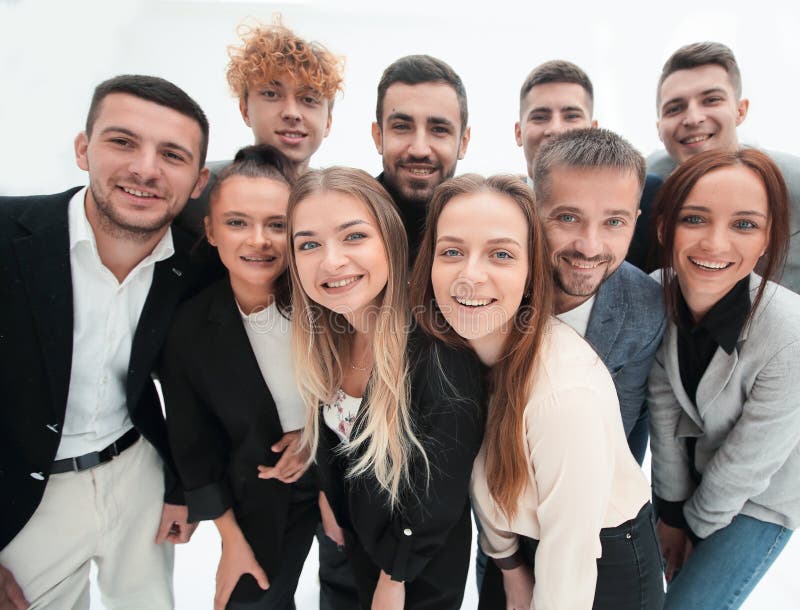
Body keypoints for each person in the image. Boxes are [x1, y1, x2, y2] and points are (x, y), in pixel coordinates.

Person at [0, 74, 212, 609]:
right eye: (122, 141)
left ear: (198, 180)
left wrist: (181, 486)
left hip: (135, 471)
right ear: (82, 148)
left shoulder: (198, 265)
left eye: (172, 154)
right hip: (21, 493)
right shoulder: (7, 234)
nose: (145, 168)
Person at [410, 173, 664, 610]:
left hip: (599, 562)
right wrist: (509, 567)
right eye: (452, 251)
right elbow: (485, 473)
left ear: (532, 272)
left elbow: (571, 558)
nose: (470, 276)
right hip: (518, 542)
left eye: (501, 254)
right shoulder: (456, 350)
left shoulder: (564, 394)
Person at [287, 167, 486, 609]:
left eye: (353, 237)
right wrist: (329, 496)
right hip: (359, 544)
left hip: (417, 569)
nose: (331, 260)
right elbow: (337, 439)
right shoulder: (331, 338)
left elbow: (438, 494)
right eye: (309, 244)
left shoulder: (437, 352)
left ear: (390, 240)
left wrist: (394, 577)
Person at [159, 145, 319, 610]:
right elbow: (194, 444)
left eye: (277, 224)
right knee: (249, 600)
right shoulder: (189, 328)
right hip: (260, 485)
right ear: (209, 230)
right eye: (237, 223)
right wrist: (231, 538)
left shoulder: (328, 304)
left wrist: (313, 438)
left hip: (345, 473)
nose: (259, 240)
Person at [648, 148, 800, 609]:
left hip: (763, 493)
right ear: (663, 226)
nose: (715, 244)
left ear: (767, 239)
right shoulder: (655, 293)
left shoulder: (790, 332)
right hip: (689, 479)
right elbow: (664, 416)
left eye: (744, 225)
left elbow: (749, 463)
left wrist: (692, 528)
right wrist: (671, 513)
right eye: (694, 219)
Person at [531, 128, 666, 465]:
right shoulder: (496, 289)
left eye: (613, 222)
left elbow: (617, 432)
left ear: (635, 222)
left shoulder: (646, 308)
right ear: (533, 211)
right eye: (567, 217)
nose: (589, 247)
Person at [641, 41, 800, 290]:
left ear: (740, 110)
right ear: (659, 127)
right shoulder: (644, 183)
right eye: (675, 108)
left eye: (711, 100)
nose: (693, 118)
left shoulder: (794, 181)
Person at [176, 19, 345, 236]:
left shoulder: (342, 203)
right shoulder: (197, 191)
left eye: (309, 99)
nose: (292, 113)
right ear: (245, 110)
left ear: (328, 122)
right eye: (271, 94)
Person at [513, 59, 663, 270]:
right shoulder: (501, 203)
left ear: (592, 128)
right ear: (519, 133)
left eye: (571, 116)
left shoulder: (646, 194)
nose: (556, 128)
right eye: (540, 117)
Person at [371, 55, 471, 260]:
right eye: (401, 127)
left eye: (439, 130)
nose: (419, 149)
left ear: (463, 142)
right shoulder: (340, 225)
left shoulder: (488, 227)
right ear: (378, 136)